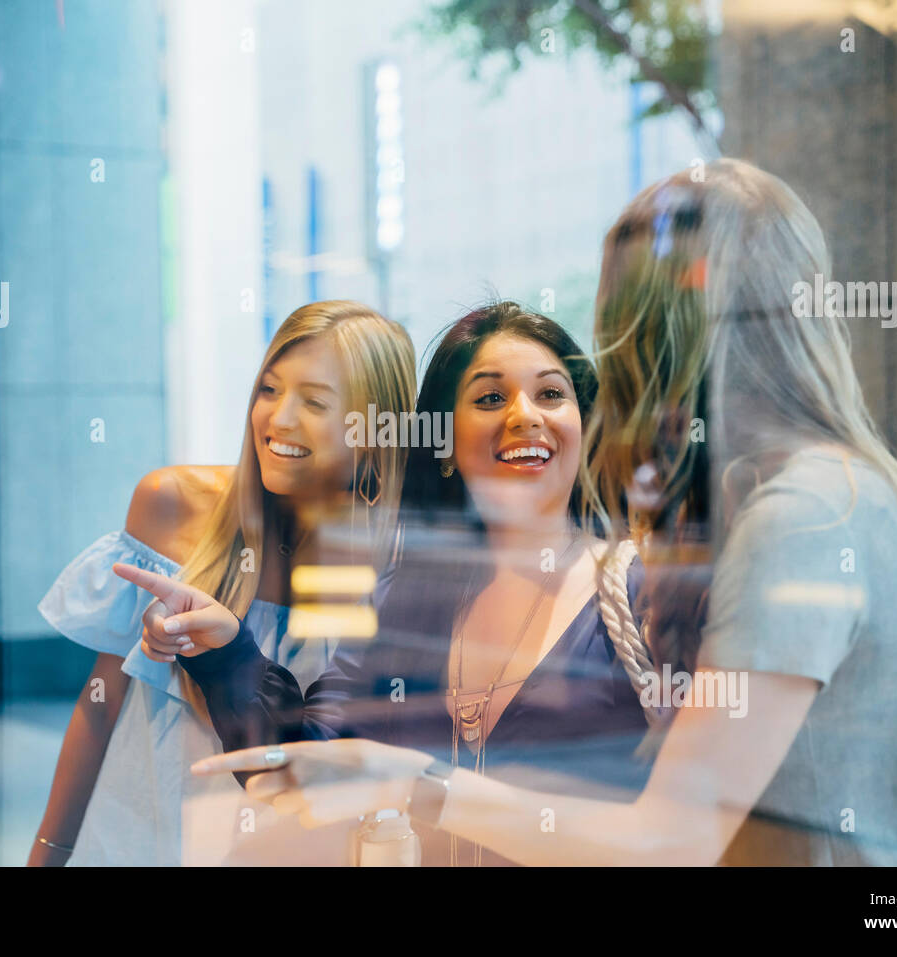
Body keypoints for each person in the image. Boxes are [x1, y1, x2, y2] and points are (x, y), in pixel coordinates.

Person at [189, 160, 897, 866]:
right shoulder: (793, 506)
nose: (616, 365)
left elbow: (669, 840)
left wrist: (416, 785)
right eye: (490, 398)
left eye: (620, 329)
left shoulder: (792, 521)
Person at [117, 303, 660, 867]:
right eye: (490, 398)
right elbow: (313, 763)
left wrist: (420, 785)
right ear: (443, 442)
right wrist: (227, 654)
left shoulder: (639, 598)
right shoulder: (407, 599)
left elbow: (683, 835)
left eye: (551, 394)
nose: (524, 415)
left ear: (586, 427)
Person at [29, 300, 415, 865]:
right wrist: (48, 853)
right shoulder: (174, 504)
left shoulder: (398, 566)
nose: (278, 419)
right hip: (141, 841)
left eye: (314, 401)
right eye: (269, 389)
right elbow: (99, 705)